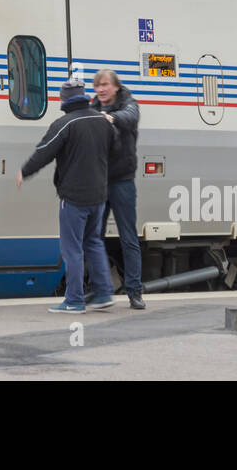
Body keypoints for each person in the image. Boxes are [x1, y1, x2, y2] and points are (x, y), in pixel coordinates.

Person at [17, 77, 115, 314]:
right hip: (99, 195)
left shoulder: (65, 123)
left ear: (64, 99)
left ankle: (74, 300)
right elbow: (114, 150)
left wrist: (24, 171)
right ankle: (103, 293)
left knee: (71, 248)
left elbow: (44, 152)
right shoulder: (102, 122)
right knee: (93, 242)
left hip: (74, 197)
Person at [92, 69, 145, 310]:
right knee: (94, 237)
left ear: (115, 87)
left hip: (122, 181)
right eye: (97, 86)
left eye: (104, 85)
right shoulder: (92, 108)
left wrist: (111, 118)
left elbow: (130, 117)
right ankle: (99, 289)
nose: (100, 90)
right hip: (100, 182)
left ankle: (134, 291)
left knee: (128, 237)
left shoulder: (129, 104)